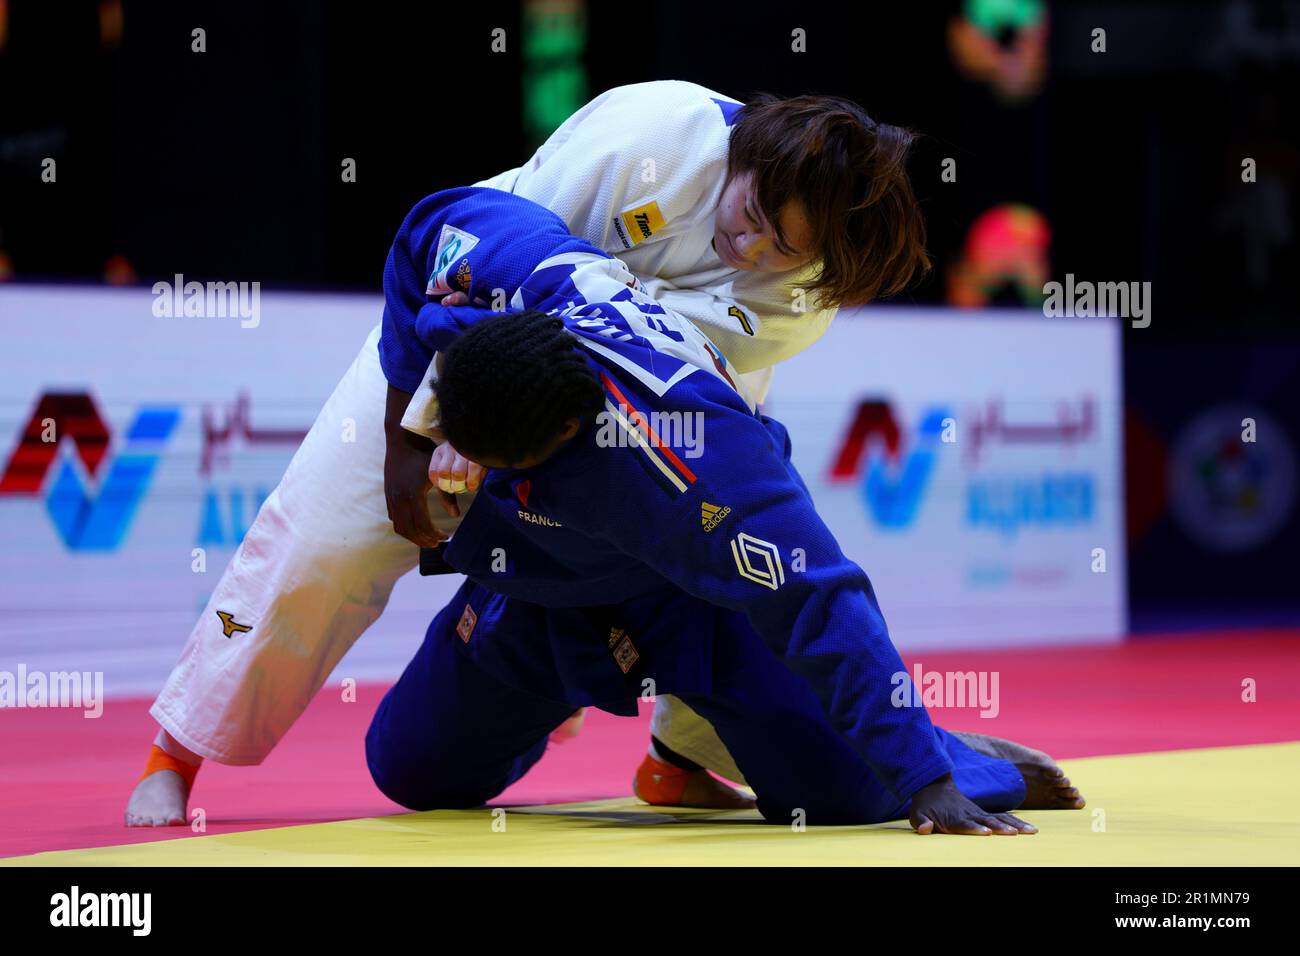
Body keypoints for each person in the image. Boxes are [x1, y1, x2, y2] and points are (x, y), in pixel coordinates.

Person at [127, 80, 933, 826]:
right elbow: (482, 264)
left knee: (705, 552)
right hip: (461, 326)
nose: (747, 246)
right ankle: (178, 751)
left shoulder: (802, 302)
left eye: (781, 247)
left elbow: (656, 372)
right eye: (752, 210)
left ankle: (674, 751)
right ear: (745, 158)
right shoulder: (651, 134)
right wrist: (434, 431)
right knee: (325, 538)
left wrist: (508, 442)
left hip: (630, 391)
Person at [367, 287, 1083, 832]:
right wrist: (410, 441)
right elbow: (422, 235)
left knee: (839, 799)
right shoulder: (509, 300)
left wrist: (927, 778)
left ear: (563, 431)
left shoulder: (707, 473)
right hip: (538, 592)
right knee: (410, 770)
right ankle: (573, 708)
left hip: (689, 604)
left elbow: (820, 595)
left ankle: (947, 751)